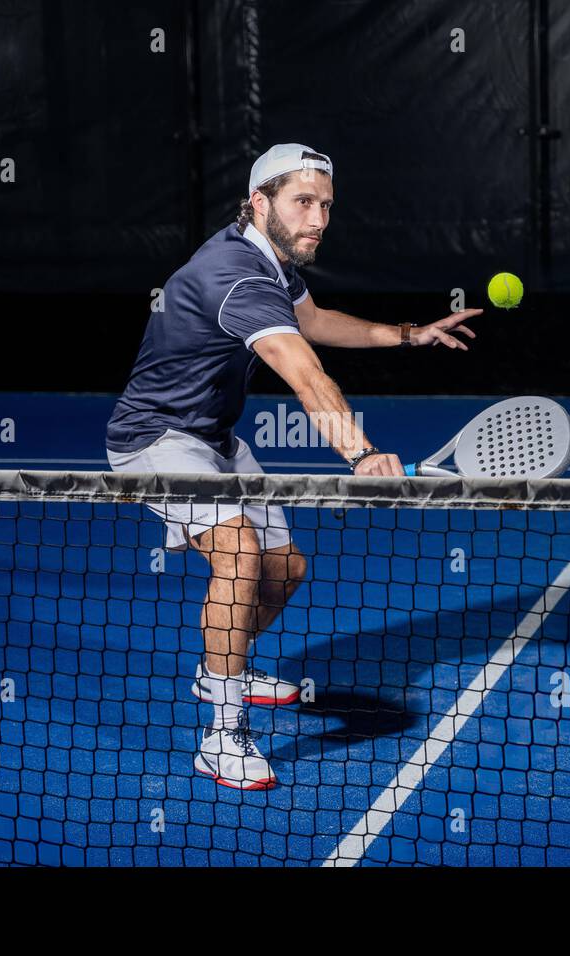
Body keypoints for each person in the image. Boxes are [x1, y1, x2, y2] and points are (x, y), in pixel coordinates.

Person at [105, 143, 479, 789]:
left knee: (285, 570)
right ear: (259, 202)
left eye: (326, 205)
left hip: (215, 437)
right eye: (303, 202)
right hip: (155, 440)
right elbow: (304, 370)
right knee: (241, 555)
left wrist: (407, 333)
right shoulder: (237, 275)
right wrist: (360, 452)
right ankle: (223, 734)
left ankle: (223, 665)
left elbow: (315, 320)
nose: (319, 218)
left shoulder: (268, 261)